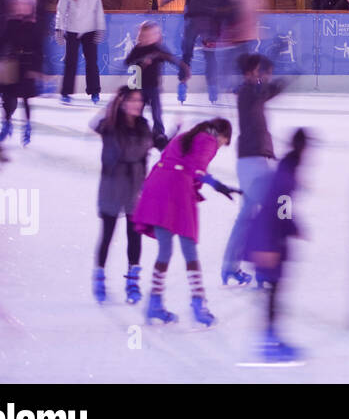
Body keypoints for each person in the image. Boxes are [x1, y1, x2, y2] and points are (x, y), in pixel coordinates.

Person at [131, 118, 239, 326]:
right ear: (222, 135)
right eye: (224, 142)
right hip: (176, 191)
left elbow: (169, 159)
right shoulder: (208, 140)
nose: (220, 147)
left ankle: (154, 303)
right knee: (189, 249)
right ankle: (199, 304)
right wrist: (218, 185)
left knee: (165, 250)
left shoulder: (185, 136)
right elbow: (197, 168)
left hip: (156, 188)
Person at [90, 87, 162, 305]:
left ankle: (133, 281)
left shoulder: (143, 126)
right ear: (122, 102)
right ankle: (99, 278)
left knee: (134, 235)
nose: (137, 105)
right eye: (132, 100)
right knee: (108, 234)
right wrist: (112, 105)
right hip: (112, 185)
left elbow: (158, 146)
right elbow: (94, 124)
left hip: (135, 187)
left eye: (140, 101)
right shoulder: (110, 125)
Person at [221, 54, 285, 288]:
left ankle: (231, 266)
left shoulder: (252, 92)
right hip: (253, 160)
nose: (261, 75)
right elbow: (268, 90)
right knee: (270, 212)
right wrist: (270, 76)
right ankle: (262, 270)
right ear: (250, 73)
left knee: (247, 215)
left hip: (256, 158)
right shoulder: (248, 92)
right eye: (258, 71)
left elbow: (271, 91)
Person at [246, 129, 310, 362]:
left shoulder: (286, 170)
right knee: (273, 294)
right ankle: (269, 344)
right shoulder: (286, 176)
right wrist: (270, 245)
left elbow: (282, 210)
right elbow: (280, 212)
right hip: (269, 243)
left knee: (275, 293)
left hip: (271, 240)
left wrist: (294, 228)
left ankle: (272, 339)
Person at [0, 0, 45, 146]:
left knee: (26, 99)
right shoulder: (10, 23)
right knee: (6, 97)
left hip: (27, 66)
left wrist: (37, 69)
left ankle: (27, 126)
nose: (19, 8)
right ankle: (6, 123)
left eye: (23, 5)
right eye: (16, 5)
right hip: (12, 64)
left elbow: (39, 49)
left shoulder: (34, 25)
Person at [160, 0, 218, 104]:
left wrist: (163, 0)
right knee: (210, 55)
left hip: (191, 22)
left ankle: (182, 85)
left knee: (187, 55)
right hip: (207, 22)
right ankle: (212, 88)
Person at [124, 21, 189, 138]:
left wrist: (184, 68)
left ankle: (159, 132)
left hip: (154, 87)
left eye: (152, 35)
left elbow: (172, 59)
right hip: (138, 87)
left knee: (156, 112)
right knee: (136, 111)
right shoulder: (137, 49)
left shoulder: (158, 49)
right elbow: (128, 62)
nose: (148, 39)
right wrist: (141, 60)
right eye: (145, 36)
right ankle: (133, 130)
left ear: (157, 36)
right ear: (140, 36)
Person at [55, 0, 106, 105]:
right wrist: (58, 28)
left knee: (92, 62)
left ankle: (94, 91)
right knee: (70, 62)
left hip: (90, 30)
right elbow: (61, 10)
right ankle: (66, 92)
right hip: (72, 30)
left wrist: (100, 28)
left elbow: (98, 10)